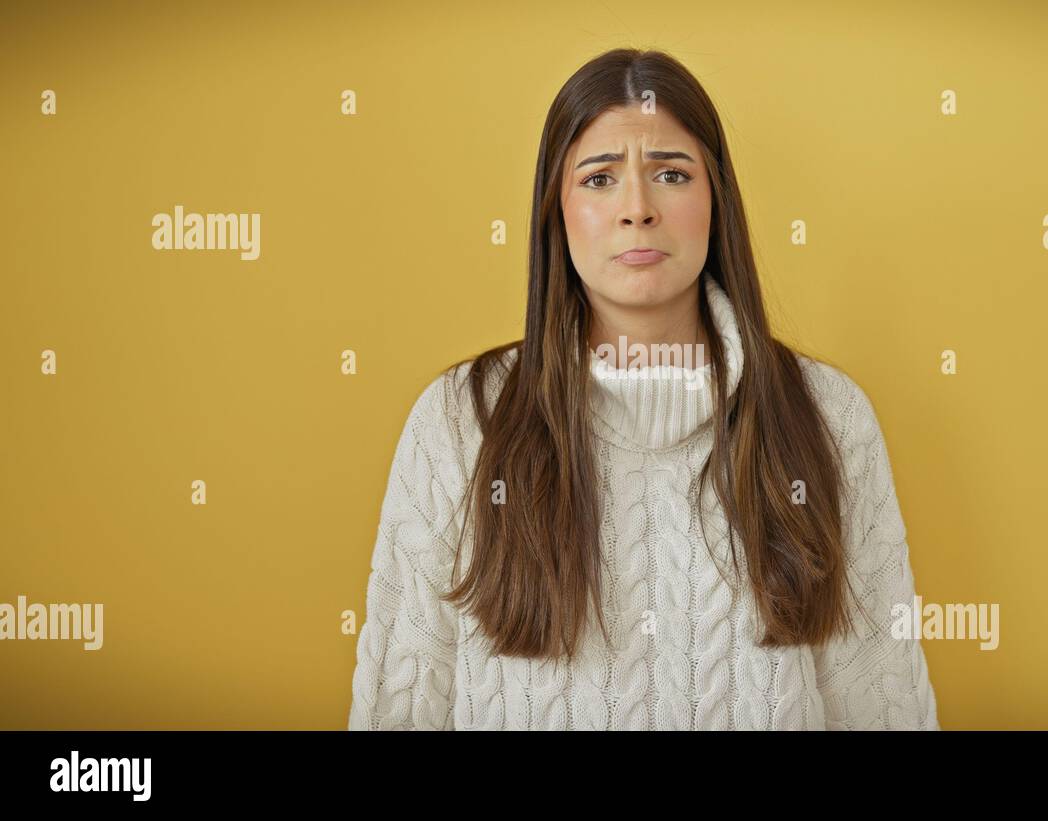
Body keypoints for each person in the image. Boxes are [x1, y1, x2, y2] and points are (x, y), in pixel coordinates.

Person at [347, 48, 940, 730]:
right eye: (599, 179)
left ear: (716, 201)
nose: (637, 208)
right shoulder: (458, 423)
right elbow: (397, 709)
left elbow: (885, 707)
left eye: (671, 173)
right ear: (556, 212)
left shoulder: (829, 417)